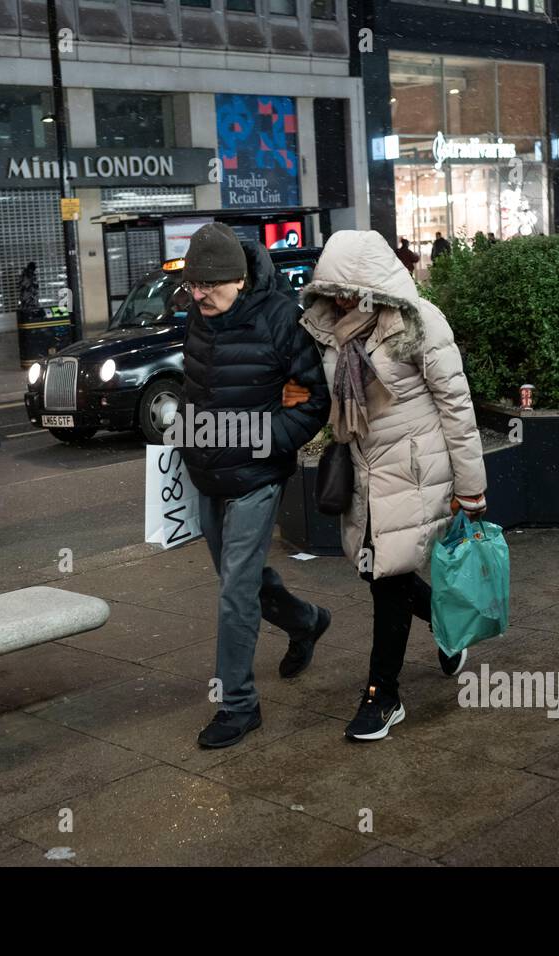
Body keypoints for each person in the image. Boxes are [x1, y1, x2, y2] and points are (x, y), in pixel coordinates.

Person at [295, 230, 487, 741]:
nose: (337, 299)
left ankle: (384, 696)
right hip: (363, 472)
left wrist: (471, 486)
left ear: (371, 284)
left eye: (345, 288)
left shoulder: (419, 324)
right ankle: (449, 631)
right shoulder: (331, 330)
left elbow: (456, 407)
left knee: (388, 583)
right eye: (329, 289)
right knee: (376, 573)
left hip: (414, 471)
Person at [176, 223, 332, 750]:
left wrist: (266, 439)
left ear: (237, 280)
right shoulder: (198, 315)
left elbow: (314, 401)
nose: (198, 297)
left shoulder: (283, 319)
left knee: (234, 592)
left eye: (207, 288)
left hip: (256, 476)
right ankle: (306, 620)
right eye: (192, 288)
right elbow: (196, 385)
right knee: (238, 578)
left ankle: (238, 705)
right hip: (206, 471)